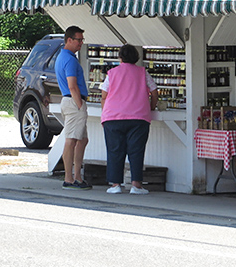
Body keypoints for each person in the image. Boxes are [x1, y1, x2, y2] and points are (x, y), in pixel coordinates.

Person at [101, 44, 159, 195]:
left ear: (120, 57)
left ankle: (115, 185)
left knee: (115, 150)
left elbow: (104, 95)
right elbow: (154, 92)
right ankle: (136, 185)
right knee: (136, 150)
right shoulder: (142, 72)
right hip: (138, 117)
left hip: (112, 117)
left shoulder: (112, 73)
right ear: (136, 57)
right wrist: (151, 107)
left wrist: (106, 110)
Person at [55, 25, 92, 190]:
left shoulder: (64, 56)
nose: (81, 43)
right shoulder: (69, 59)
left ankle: (77, 175)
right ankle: (69, 178)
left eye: (82, 40)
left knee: (82, 139)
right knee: (71, 140)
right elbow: (72, 85)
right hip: (73, 101)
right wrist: (80, 104)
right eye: (78, 40)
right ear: (69, 40)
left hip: (70, 100)